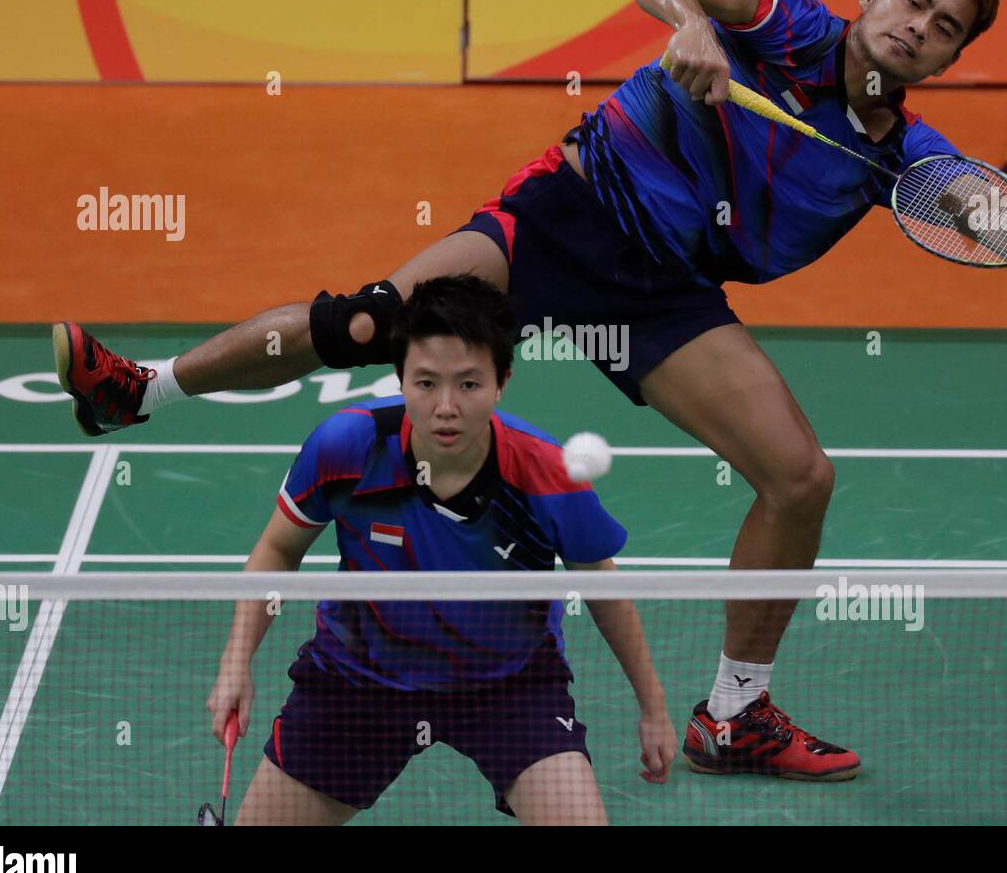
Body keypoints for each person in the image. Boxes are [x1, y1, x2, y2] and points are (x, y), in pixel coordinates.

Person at [60, 0, 1007, 782]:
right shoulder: (781, 16)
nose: (918, 26)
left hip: (663, 295)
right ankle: (137, 389)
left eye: (944, 27)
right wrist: (690, 22)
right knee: (371, 320)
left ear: (950, 57)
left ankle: (733, 717)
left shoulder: (904, 156)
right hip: (566, 212)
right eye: (911, 0)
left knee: (799, 476)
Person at [205, 275, 675, 825]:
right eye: (426, 383)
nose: (445, 407)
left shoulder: (547, 474)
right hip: (361, 681)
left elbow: (603, 588)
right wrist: (236, 662)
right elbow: (278, 551)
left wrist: (653, 708)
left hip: (509, 685)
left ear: (502, 382)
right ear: (399, 377)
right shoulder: (345, 448)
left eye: (468, 385)